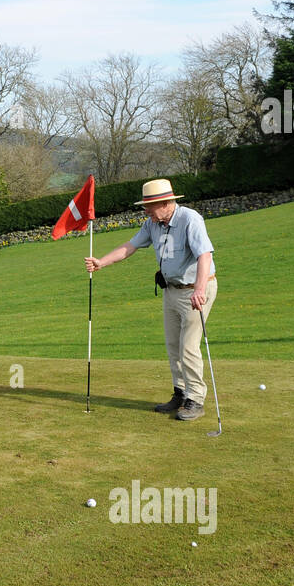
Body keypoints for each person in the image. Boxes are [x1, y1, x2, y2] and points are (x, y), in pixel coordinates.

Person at [84, 178, 218, 421]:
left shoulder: (190, 219)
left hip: (196, 290)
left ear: (166, 203)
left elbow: (204, 256)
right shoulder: (152, 224)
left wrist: (199, 290)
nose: (145, 211)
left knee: (188, 346)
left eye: (149, 206)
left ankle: (195, 400)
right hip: (171, 290)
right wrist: (101, 262)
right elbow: (130, 246)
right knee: (173, 345)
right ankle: (180, 393)